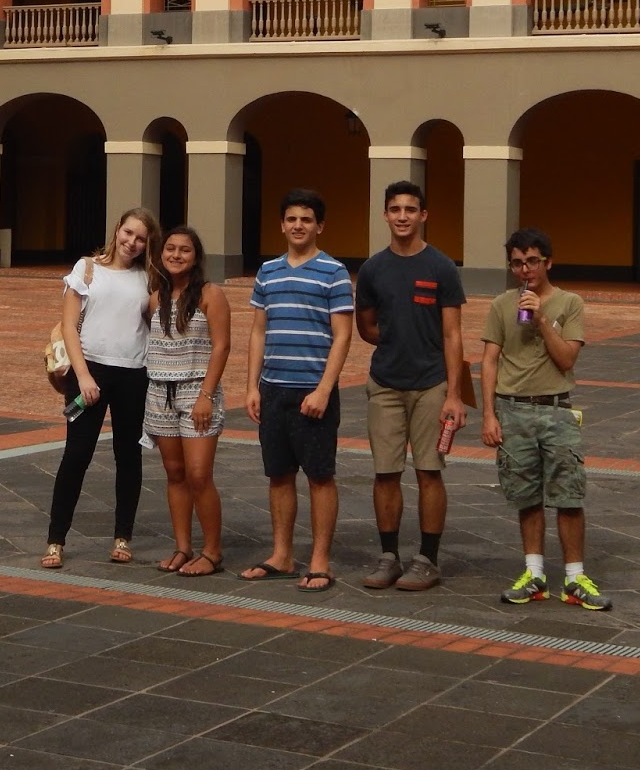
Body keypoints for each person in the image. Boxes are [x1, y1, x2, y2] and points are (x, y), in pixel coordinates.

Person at [480, 228, 608, 610]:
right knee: (526, 496)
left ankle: (574, 577)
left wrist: (540, 320)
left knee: (568, 495)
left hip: (556, 408)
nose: (525, 270)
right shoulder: (502, 304)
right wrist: (488, 414)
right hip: (512, 408)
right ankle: (534, 574)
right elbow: (488, 360)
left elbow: (567, 358)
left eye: (532, 261)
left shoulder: (569, 303)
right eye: (517, 263)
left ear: (548, 262)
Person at [354, 181, 466, 592]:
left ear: (424, 215)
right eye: (395, 209)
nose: (402, 216)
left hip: (432, 385)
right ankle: (389, 557)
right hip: (384, 384)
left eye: (410, 209)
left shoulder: (440, 267)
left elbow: (453, 335)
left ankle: (428, 560)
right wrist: (391, 340)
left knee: (429, 472)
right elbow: (365, 323)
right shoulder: (373, 268)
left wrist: (454, 394)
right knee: (385, 472)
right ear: (385, 215)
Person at [240, 189, 353, 593]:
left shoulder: (334, 272)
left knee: (320, 476)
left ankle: (320, 559)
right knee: (279, 475)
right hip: (273, 389)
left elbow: (342, 336)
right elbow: (257, 331)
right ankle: (282, 555)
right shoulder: (268, 271)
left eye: (307, 219)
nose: (298, 225)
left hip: (312, 391)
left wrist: (324, 389)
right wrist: (252, 386)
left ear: (319, 226)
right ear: (282, 224)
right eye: (292, 219)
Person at [42, 208, 161, 569]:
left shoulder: (149, 278)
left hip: (133, 375)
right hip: (90, 371)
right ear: (117, 230)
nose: (132, 243)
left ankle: (122, 536)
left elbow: (155, 323)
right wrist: (83, 377)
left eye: (141, 238)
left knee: (129, 458)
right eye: (128, 233)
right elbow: (68, 326)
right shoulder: (87, 268)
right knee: (75, 457)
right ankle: (55, 540)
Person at [146, 225, 230, 577]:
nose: (176, 255)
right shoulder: (155, 297)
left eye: (184, 250)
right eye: (170, 249)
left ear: (196, 257)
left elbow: (222, 346)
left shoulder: (210, 294)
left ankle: (212, 551)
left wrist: (206, 396)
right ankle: (183, 547)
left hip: (196, 390)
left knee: (198, 475)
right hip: (158, 391)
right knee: (175, 473)